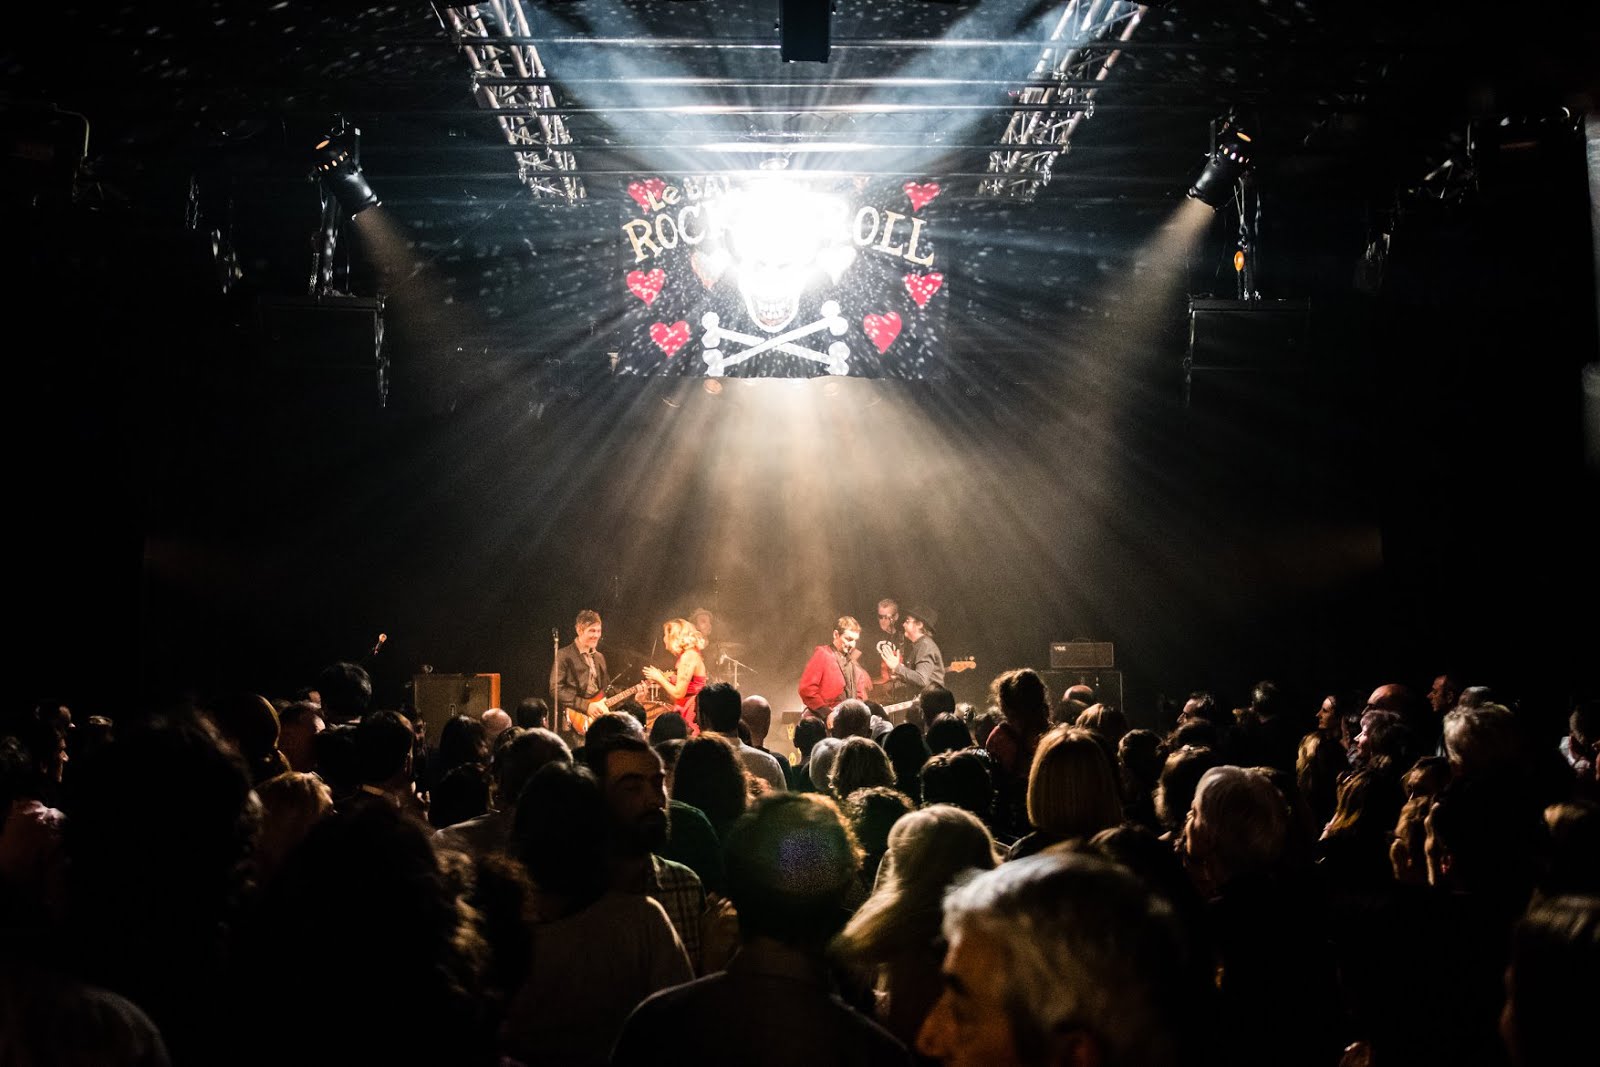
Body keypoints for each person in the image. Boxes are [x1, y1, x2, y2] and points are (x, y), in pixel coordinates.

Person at [643, 617, 709, 734]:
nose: (664, 639)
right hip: (685, 709)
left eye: (665, 635)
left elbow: (679, 693)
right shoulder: (685, 656)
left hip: (691, 714)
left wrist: (659, 678)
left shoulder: (688, 656)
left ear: (674, 636)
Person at [551, 610, 610, 738]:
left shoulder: (599, 657)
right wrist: (586, 706)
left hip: (597, 720)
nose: (596, 635)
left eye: (598, 631)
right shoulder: (564, 655)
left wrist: (634, 693)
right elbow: (555, 689)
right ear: (579, 630)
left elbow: (607, 690)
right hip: (574, 720)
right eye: (592, 631)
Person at [799, 615, 873, 714]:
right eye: (849, 639)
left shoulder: (855, 669)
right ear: (836, 634)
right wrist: (826, 713)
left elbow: (859, 698)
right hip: (822, 721)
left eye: (855, 640)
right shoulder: (823, 654)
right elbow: (806, 690)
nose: (852, 645)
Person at [879, 606, 944, 700]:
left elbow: (921, 679)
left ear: (919, 624)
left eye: (907, 621)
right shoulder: (919, 645)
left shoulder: (925, 645)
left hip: (931, 704)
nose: (904, 624)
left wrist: (897, 667)